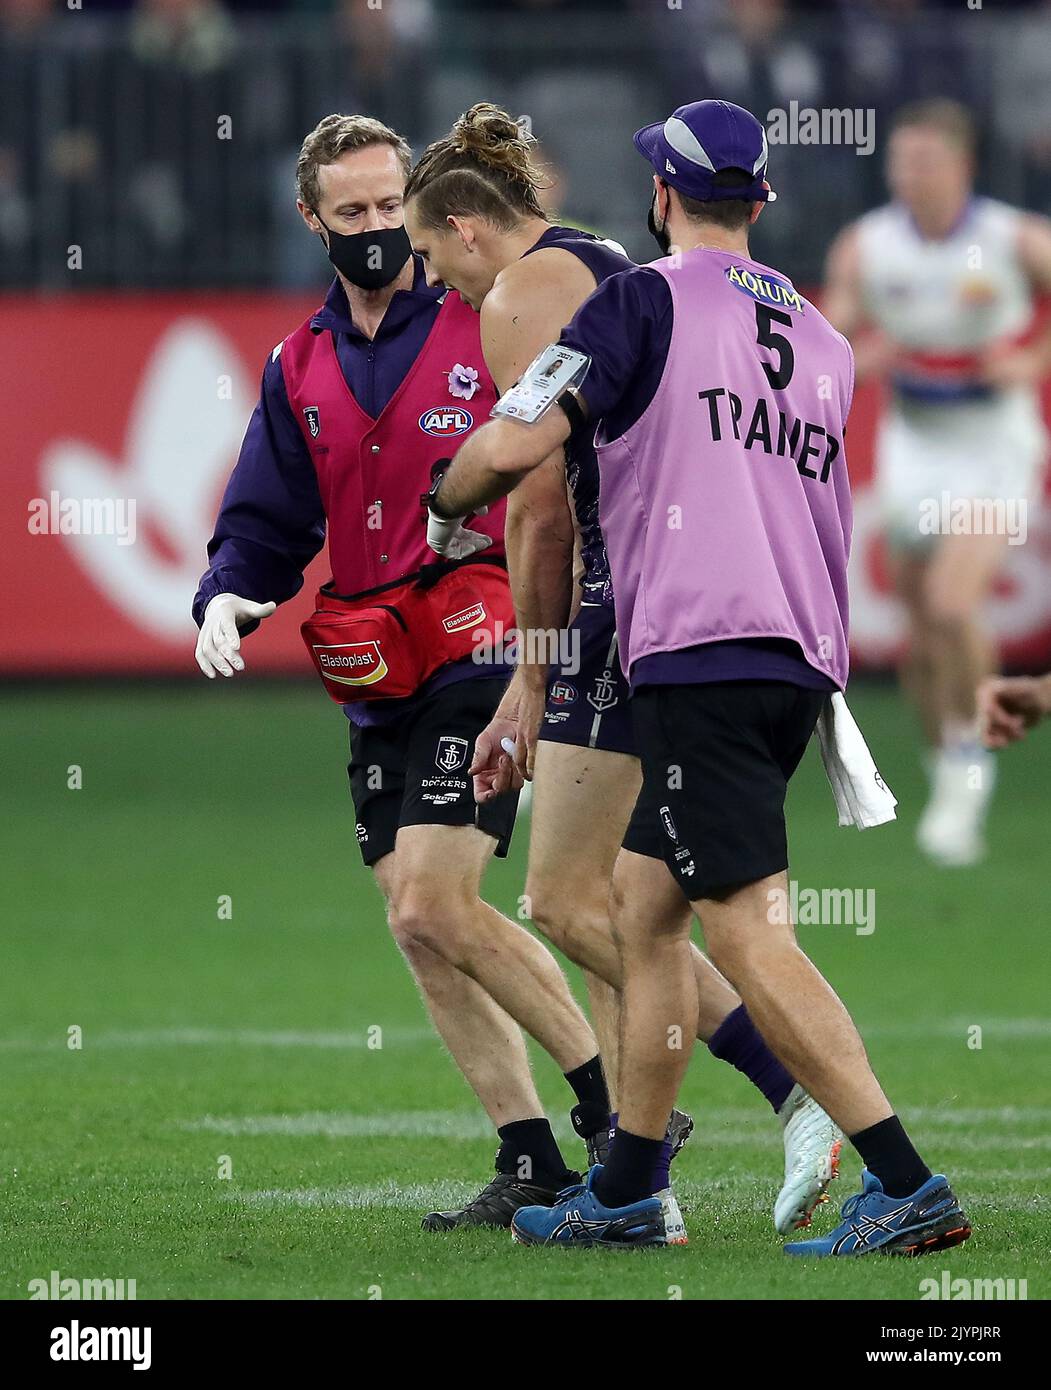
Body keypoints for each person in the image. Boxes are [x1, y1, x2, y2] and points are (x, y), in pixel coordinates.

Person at [429, 99, 971, 1256]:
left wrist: (445, 492)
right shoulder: (822, 338)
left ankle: (902, 1177)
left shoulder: (639, 299)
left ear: (662, 197)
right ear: (761, 200)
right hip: (796, 656)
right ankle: (626, 1186)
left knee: (747, 931)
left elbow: (519, 442)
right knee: (641, 905)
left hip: (696, 649)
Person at [192, 113, 611, 1232]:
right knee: (416, 922)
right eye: (355, 214)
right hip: (372, 661)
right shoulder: (301, 363)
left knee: (437, 894)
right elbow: (266, 517)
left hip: (481, 638)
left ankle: (611, 1109)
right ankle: (530, 1157)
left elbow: (570, 451)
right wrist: (229, 588)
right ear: (311, 221)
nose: (380, 232)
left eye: (392, 210)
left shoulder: (490, 319)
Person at [823, 99, 1051, 866]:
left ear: (960, 167)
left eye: (923, 160)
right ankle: (944, 757)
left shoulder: (1010, 239)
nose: (907, 174)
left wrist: (1030, 359)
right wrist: (858, 349)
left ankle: (971, 764)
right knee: (922, 627)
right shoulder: (868, 245)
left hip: (994, 445)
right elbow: (834, 324)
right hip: (915, 443)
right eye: (899, 160)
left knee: (956, 601)